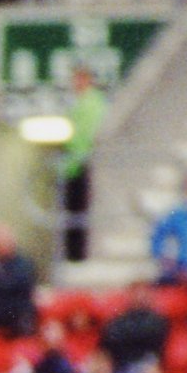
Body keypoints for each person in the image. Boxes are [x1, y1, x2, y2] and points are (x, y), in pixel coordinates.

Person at [57, 66, 105, 263]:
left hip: (81, 162)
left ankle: (77, 256)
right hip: (73, 162)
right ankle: (72, 255)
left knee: (78, 211)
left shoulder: (91, 103)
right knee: (71, 212)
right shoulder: (80, 102)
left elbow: (83, 135)